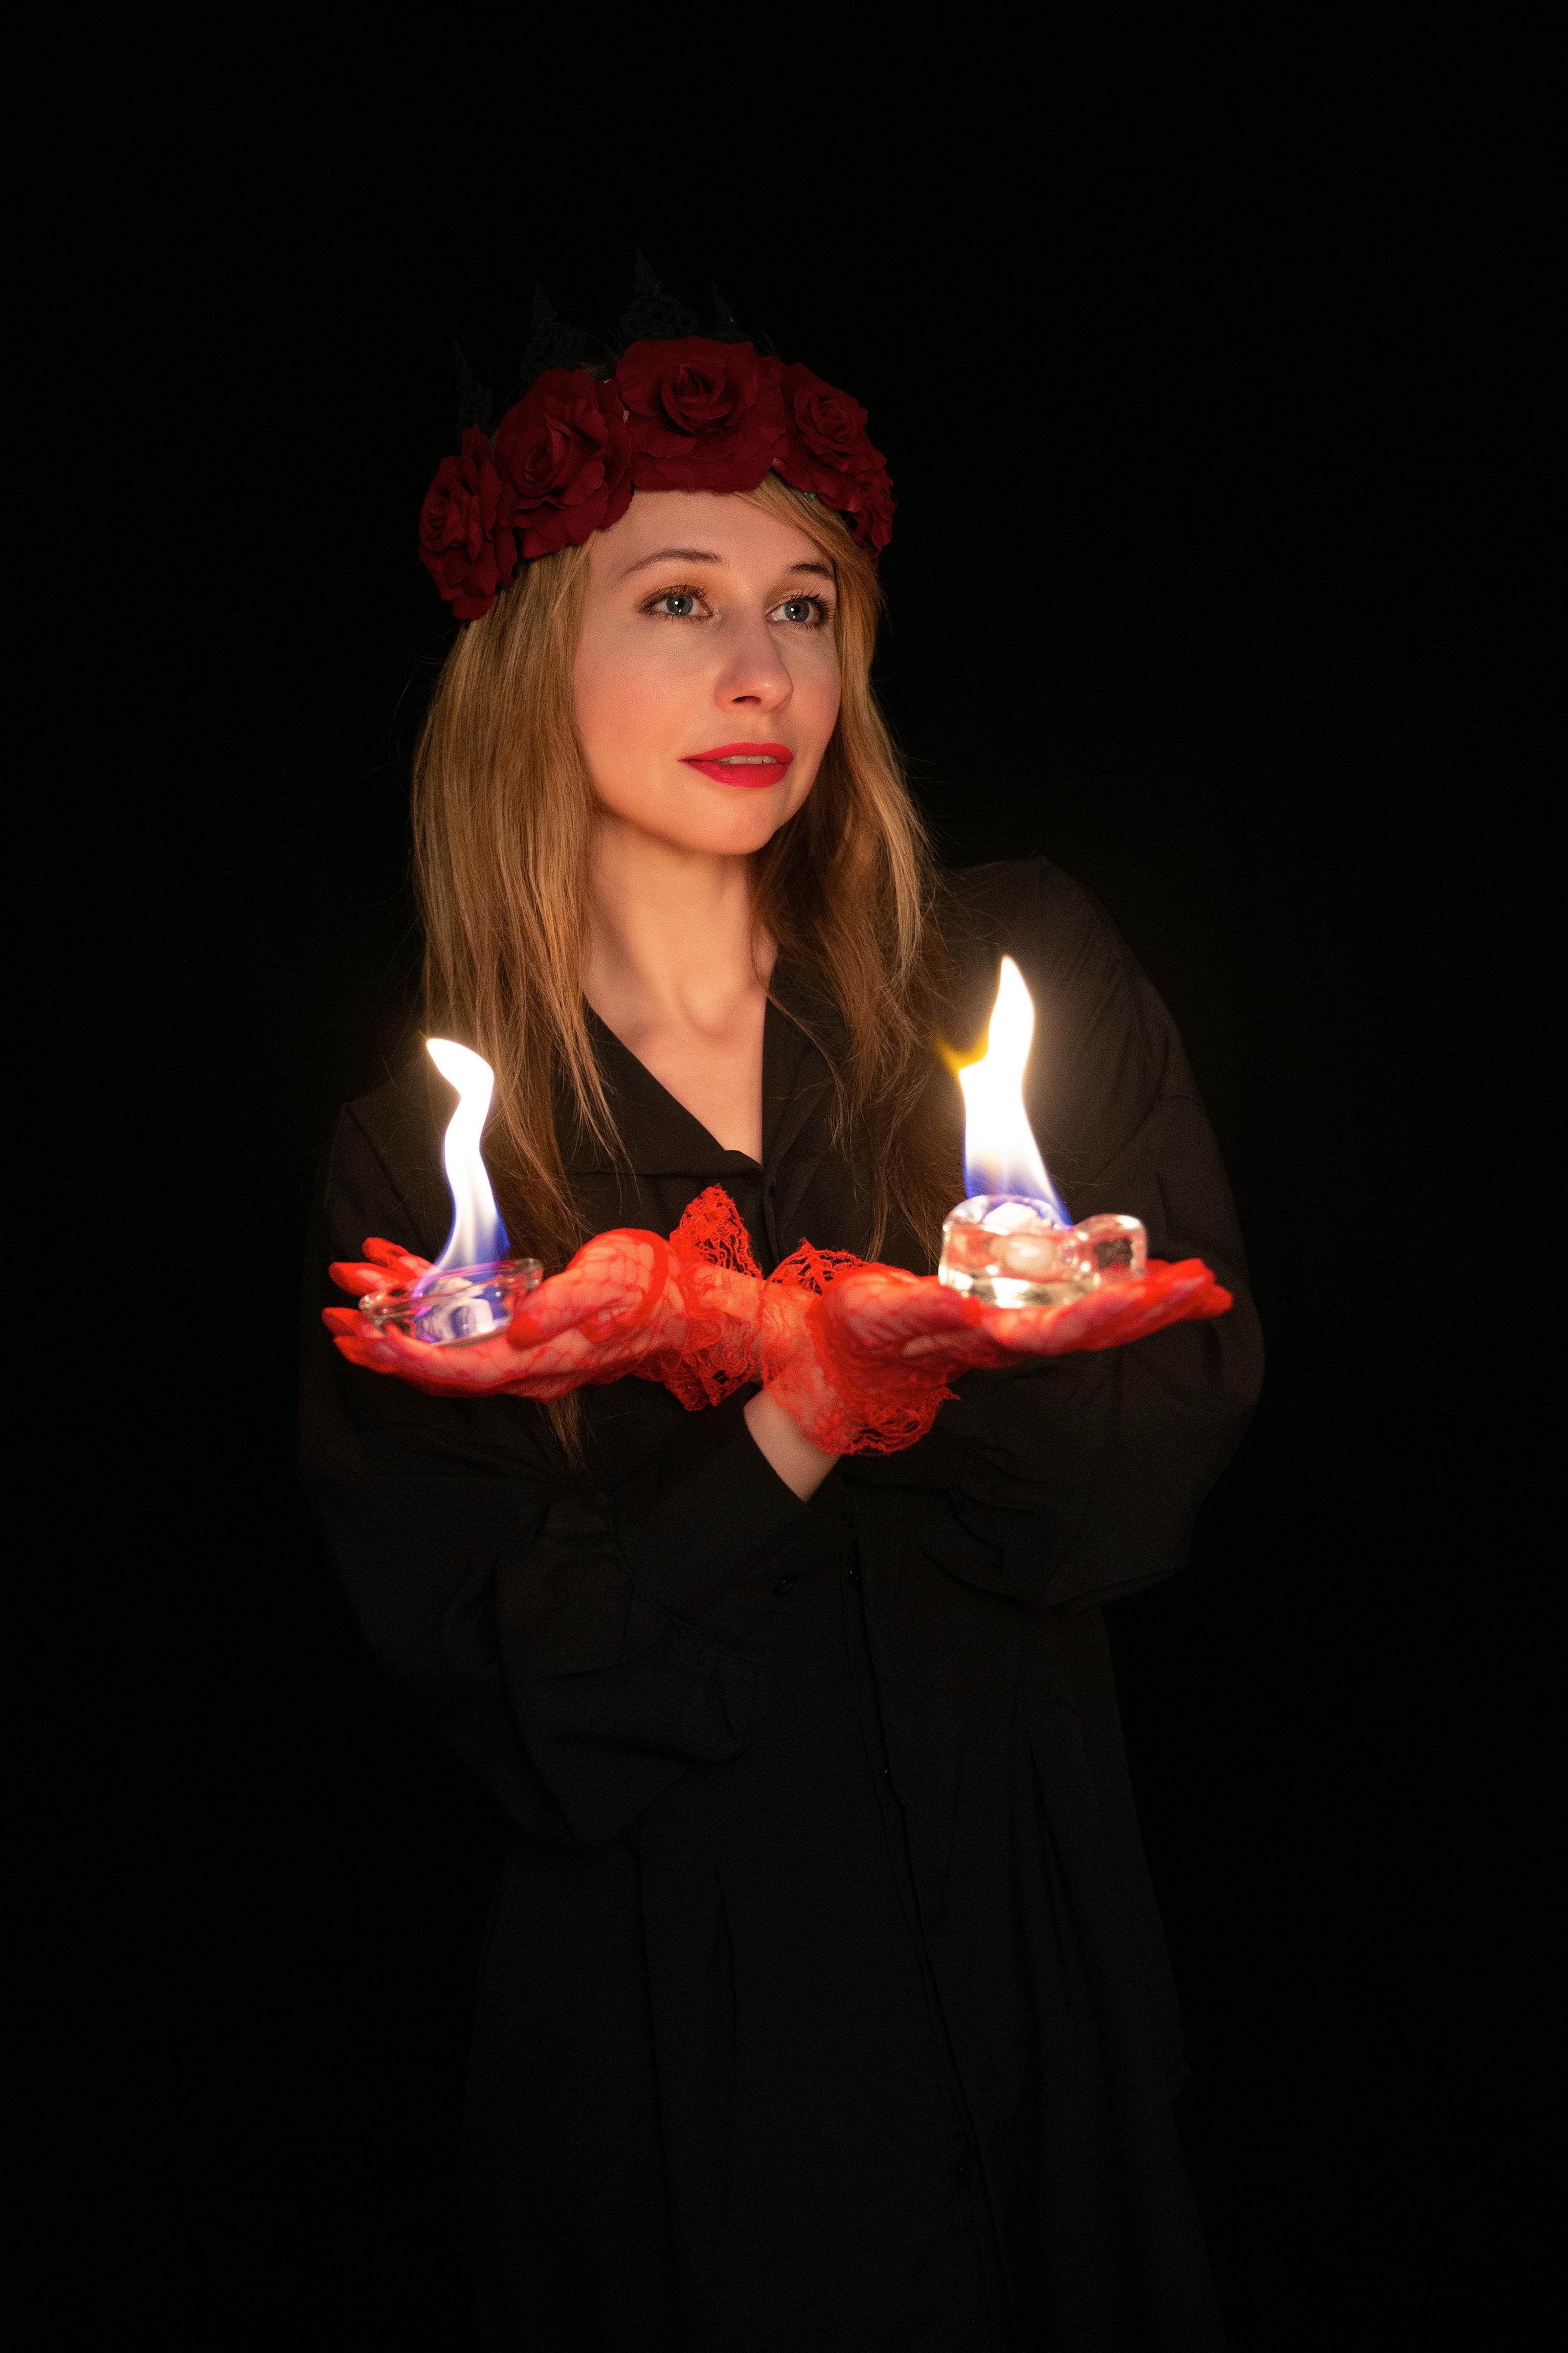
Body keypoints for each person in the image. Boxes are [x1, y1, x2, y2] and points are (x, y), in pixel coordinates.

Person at [299, 316, 1263, 2351]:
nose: (762, 674)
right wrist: (799, 1415)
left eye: (803, 608)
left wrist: (913, 1362)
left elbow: (1130, 1483)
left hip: (1045, 2014)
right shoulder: (425, 1161)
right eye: (678, 604)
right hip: (689, 2095)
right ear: (528, 659)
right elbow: (534, 1707)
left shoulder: (1023, 974)